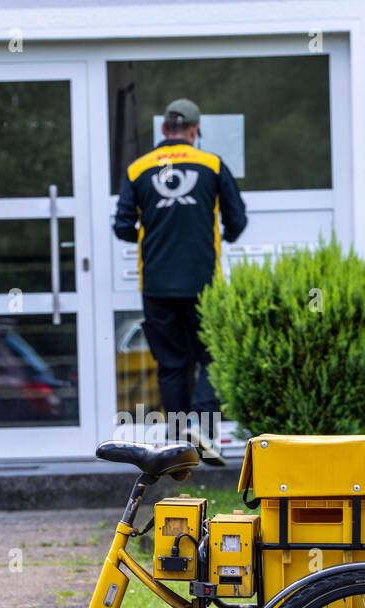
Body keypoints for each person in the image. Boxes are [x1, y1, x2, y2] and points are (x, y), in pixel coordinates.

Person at [113, 98, 247, 437]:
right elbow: (237, 219)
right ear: (194, 130)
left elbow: (122, 226)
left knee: (171, 365)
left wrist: (152, 235)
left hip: (157, 285)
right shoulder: (212, 165)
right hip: (205, 284)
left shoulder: (137, 169)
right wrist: (225, 233)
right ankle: (202, 430)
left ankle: (177, 441)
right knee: (212, 357)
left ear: (163, 129)